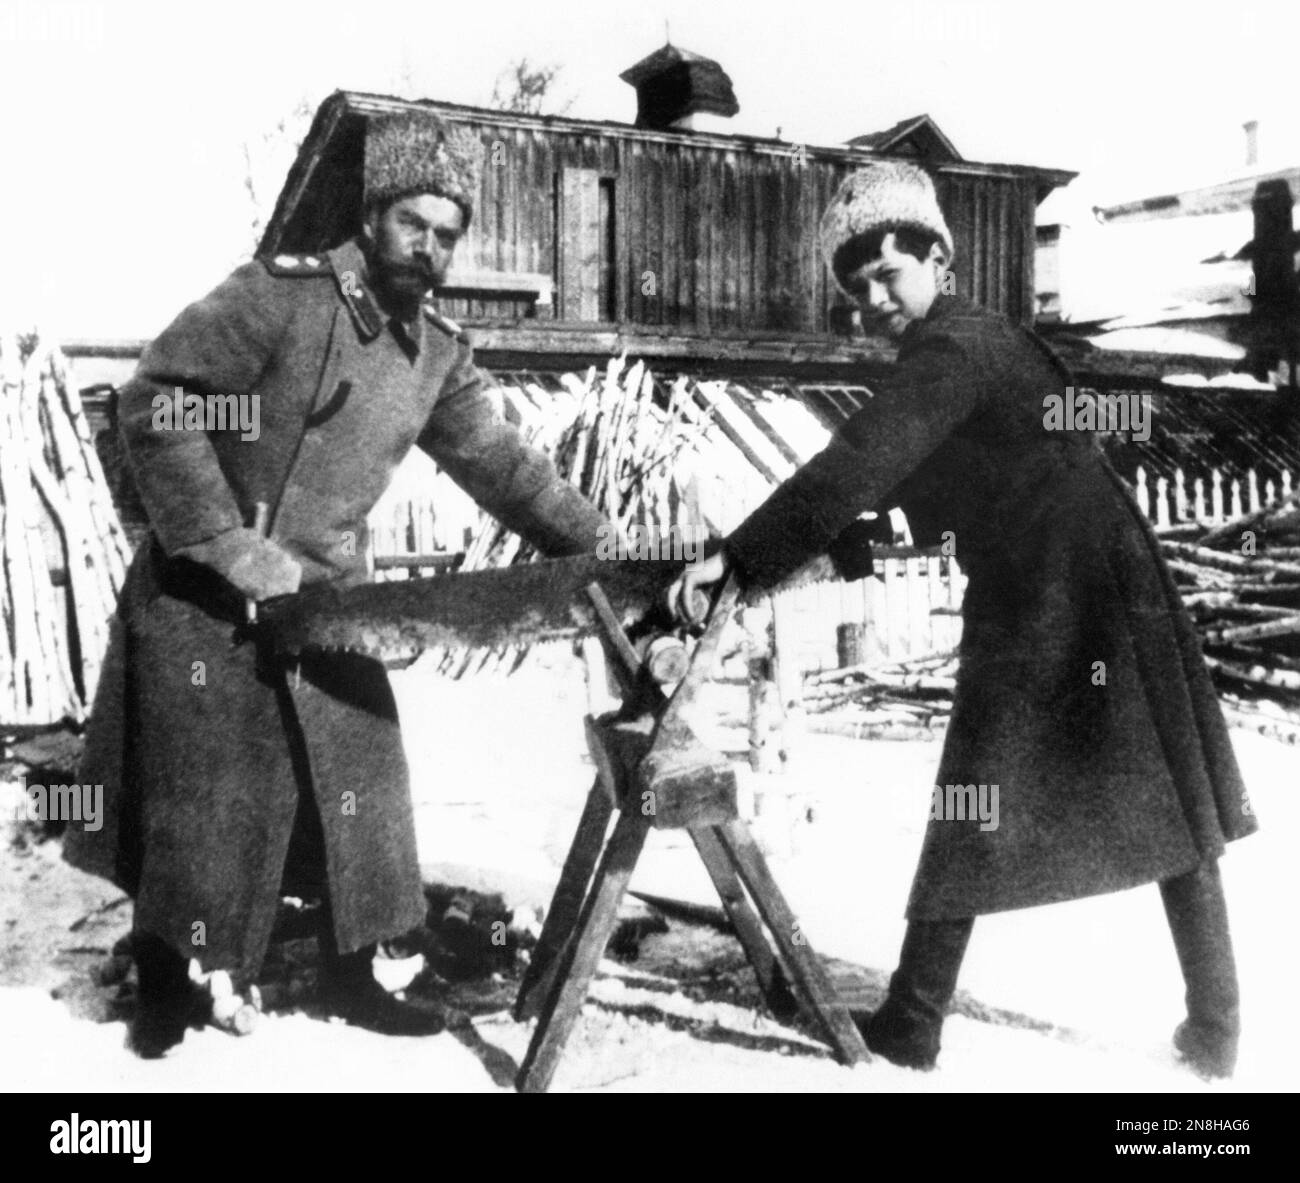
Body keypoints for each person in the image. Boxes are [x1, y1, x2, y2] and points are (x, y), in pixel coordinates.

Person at [669, 160, 1256, 1079]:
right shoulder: (976, 343)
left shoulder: (953, 350)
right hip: (1091, 570)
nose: (874, 298)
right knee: (1161, 786)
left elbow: (856, 464)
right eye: (856, 287)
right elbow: (925, 485)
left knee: (992, 790)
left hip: (1060, 585)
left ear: (939, 260)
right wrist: (835, 551)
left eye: (889, 274)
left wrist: (741, 558)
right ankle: (1212, 1028)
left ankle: (914, 1020)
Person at [66, 113, 610, 1057]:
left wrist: (608, 549)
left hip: (328, 604)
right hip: (209, 593)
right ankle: (165, 980)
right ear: (373, 214)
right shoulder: (281, 299)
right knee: (203, 799)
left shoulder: (433, 354)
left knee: (359, 776)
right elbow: (158, 397)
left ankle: (353, 974)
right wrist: (227, 540)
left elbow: (506, 467)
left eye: (448, 234)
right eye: (414, 226)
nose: (430, 250)